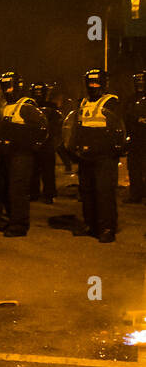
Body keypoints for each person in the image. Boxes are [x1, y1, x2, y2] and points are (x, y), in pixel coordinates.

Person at [62, 68, 127, 242]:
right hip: (86, 155)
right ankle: (91, 225)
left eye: (96, 82)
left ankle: (107, 228)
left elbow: (119, 128)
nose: (93, 86)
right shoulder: (83, 102)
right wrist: (73, 149)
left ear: (104, 83)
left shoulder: (111, 102)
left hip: (105, 157)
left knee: (104, 193)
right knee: (87, 192)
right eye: (90, 82)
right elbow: (76, 127)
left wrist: (115, 150)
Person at [0, 71, 48, 236]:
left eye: (9, 86)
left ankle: (19, 225)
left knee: (18, 189)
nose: (6, 90)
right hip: (6, 153)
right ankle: (12, 219)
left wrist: (25, 142)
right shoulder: (4, 106)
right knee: (5, 187)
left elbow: (41, 129)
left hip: (21, 154)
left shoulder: (26, 105)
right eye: (4, 87)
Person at [29, 82, 61, 204]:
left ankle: (48, 193)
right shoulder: (29, 106)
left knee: (47, 170)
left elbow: (57, 124)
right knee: (34, 169)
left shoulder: (51, 107)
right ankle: (34, 192)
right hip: (34, 141)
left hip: (46, 142)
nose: (38, 95)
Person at [125, 71, 146, 204]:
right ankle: (136, 194)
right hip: (135, 138)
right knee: (134, 168)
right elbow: (126, 117)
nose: (140, 84)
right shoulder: (131, 99)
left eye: (142, 82)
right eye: (137, 82)